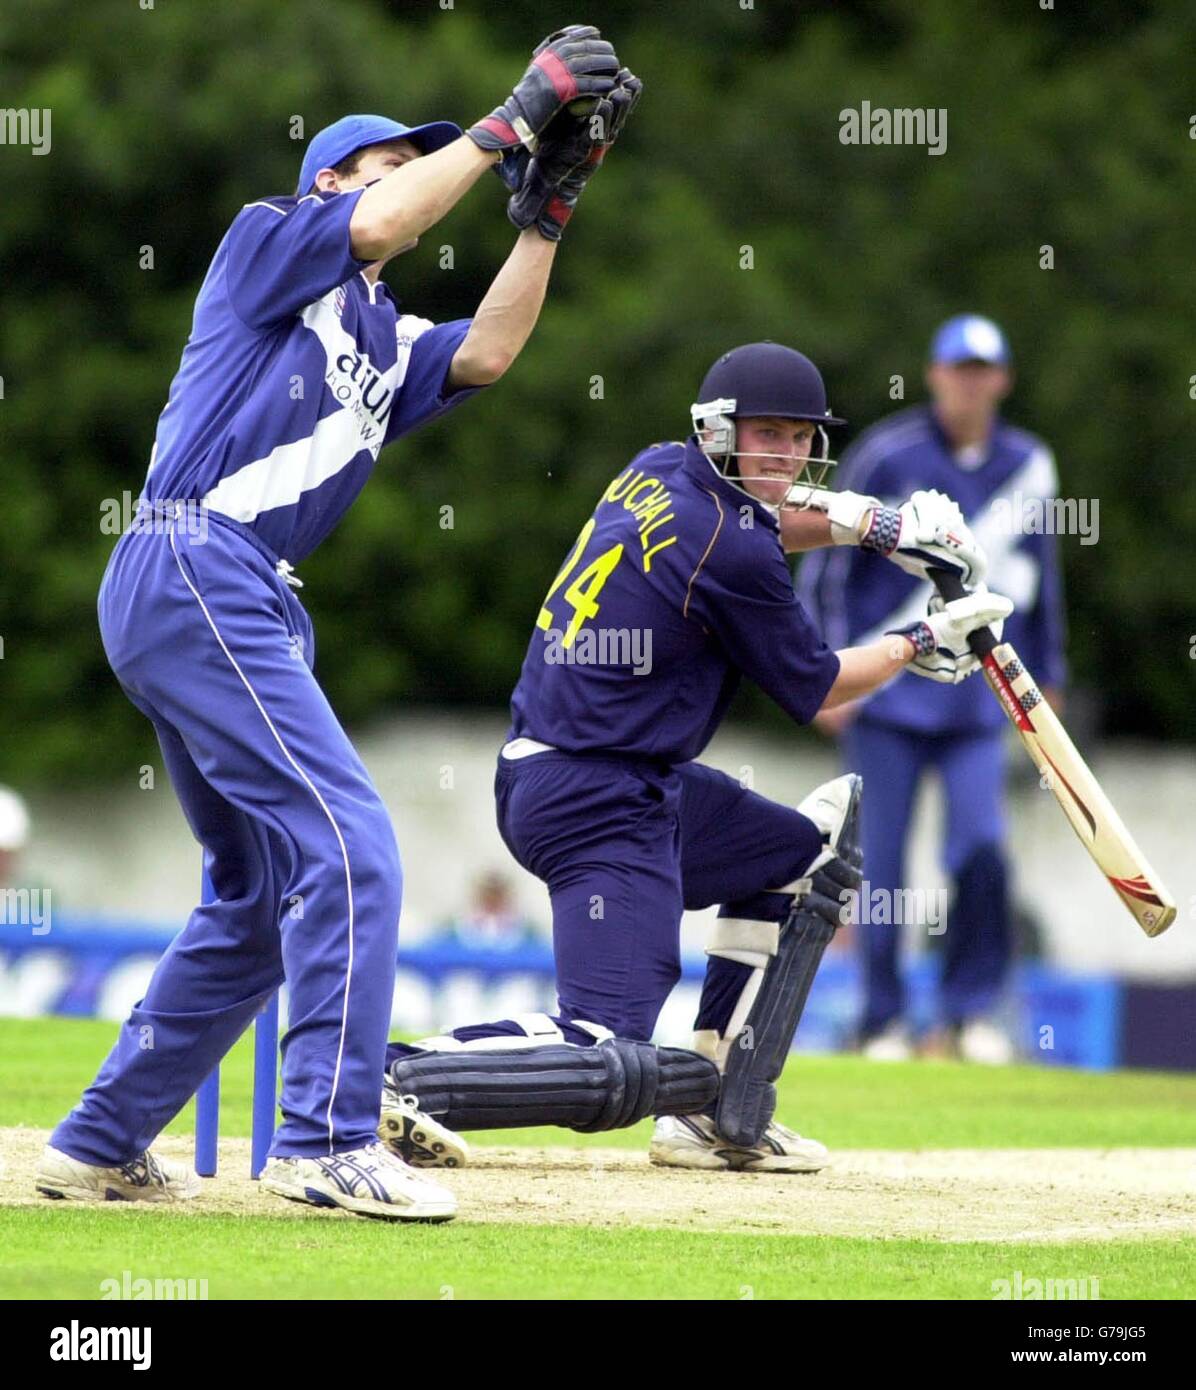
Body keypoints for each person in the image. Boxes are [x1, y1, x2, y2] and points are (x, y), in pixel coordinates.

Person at [36, 26, 639, 1222]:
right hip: (196, 557)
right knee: (354, 845)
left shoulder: (379, 333)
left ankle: (96, 1140)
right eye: (385, 162)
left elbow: (491, 349)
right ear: (329, 181)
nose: (410, 177)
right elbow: (381, 224)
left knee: (257, 895)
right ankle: (319, 1137)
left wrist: (544, 212)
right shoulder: (271, 240)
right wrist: (508, 119)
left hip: (225, 590)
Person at [375, 341, 1009, 1175]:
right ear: (720, 433)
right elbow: (819, 688)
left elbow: (757, 516)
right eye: (767, 435)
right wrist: (921, 641)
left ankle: (718, 1108)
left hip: (617, 777)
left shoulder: (655, 466)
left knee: (798, 857)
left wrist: (872, 525)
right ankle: (395, 1078)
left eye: (797, 438)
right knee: (608, 1046)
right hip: (592, 796)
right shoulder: (736, 553)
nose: (785, 455)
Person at [799, 315, 1066, 1063]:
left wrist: (1050, 678)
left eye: (984, 370)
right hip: (885, 692)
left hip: (979, 698)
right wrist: (827, 670)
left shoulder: (1030, 465)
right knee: (880, 864)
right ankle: (882, 1020)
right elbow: (824, 565)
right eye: (959, 368)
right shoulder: (888, 452)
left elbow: (1044, 582)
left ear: (1002, 380)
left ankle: (969, 1013)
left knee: (982, 848)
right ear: (934, 374)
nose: (970, 382)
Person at [427, 872, 541, 953]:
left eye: (497, 894)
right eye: (488, 893)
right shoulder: (453, 927)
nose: (492, 898)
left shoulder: (527, 931)